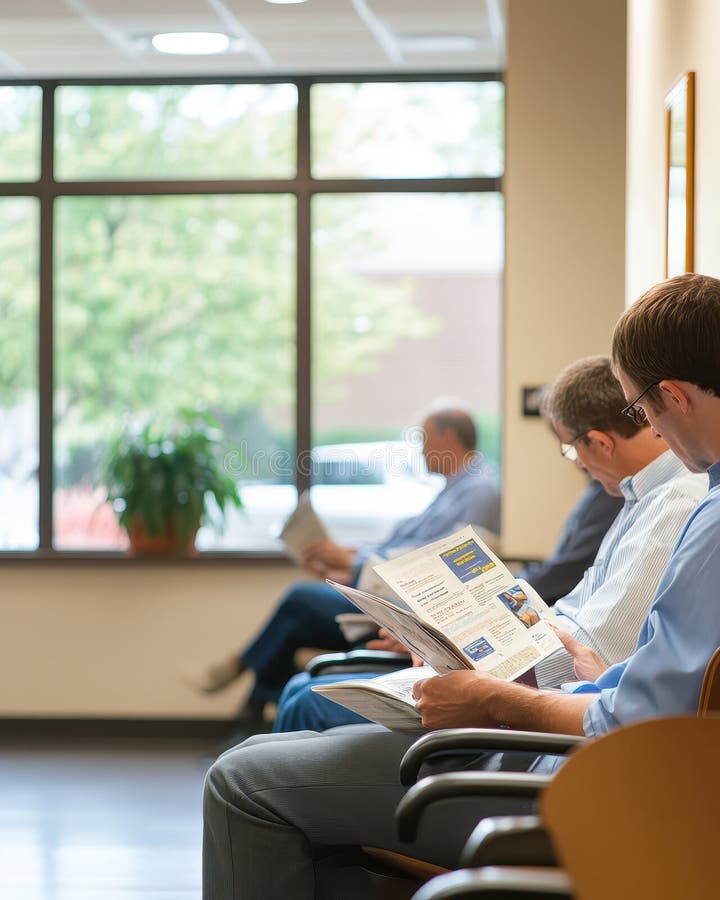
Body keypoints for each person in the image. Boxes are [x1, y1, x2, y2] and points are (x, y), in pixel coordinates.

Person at [202, 274, 720, 899]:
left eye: (642, 410)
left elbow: (634, 720)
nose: (653, 432)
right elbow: (633, 672)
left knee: (240, 779)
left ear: (672, 396)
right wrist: (577, 666)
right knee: (282, 752)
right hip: (582, 751)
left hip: (581, 780)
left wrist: (492, 697)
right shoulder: (682, 503)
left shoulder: (701, 516)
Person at [270, 355, 706, 733]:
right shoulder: (635, 497)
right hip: (519, 685)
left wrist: (478, 663)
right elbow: (569, 614)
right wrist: (456, 639)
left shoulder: (672, 502)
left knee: (303, 704)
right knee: (299, 692)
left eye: (571, 452)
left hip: (526, 704)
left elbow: (591, 652)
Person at [189, 407, 501, 720]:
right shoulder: (453, 490)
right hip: (381, 589)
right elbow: (400, 550)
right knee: (293, 625)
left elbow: (438, 561)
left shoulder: (479, 490)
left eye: (425, 439)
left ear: (449, 437)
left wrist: (354, 561)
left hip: (400, 606)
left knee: (298, 601)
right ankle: (252, 713)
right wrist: (346, 566)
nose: (420, 449)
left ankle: (244, 684)